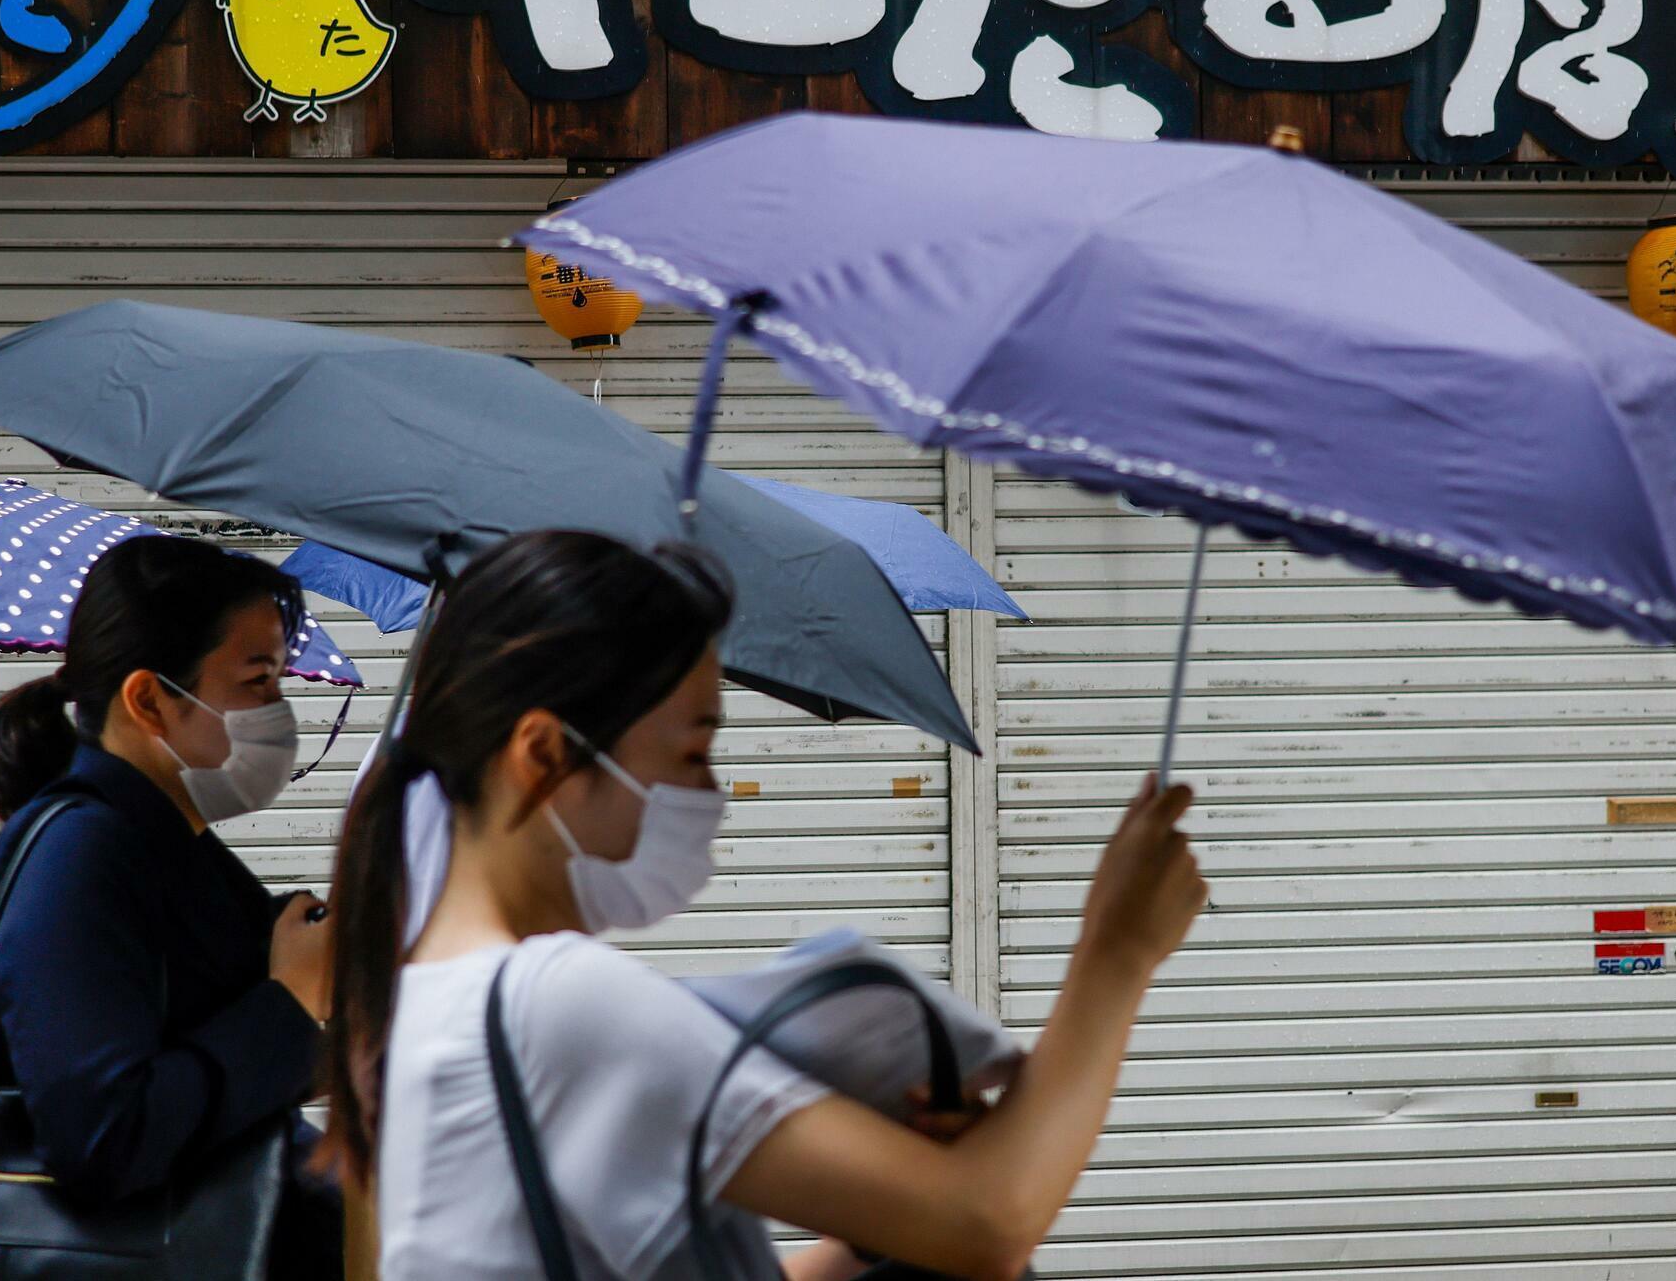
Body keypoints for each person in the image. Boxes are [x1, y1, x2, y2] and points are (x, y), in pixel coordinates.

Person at [322, 530, 1206, 1281]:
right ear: (546, 750)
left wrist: (871, 1223)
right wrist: (1118, 950)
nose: (711, 794)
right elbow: (990, 1220)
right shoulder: (557, 1001)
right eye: (693, 752)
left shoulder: (427, 995)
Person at [0, 534, 342, 1272]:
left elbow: (209, 1056)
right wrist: (289, 1000)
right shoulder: (81, 851)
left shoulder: (162, 840)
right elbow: (103, 1137)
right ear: (149, 699)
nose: (277, 709)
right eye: (256, 678)